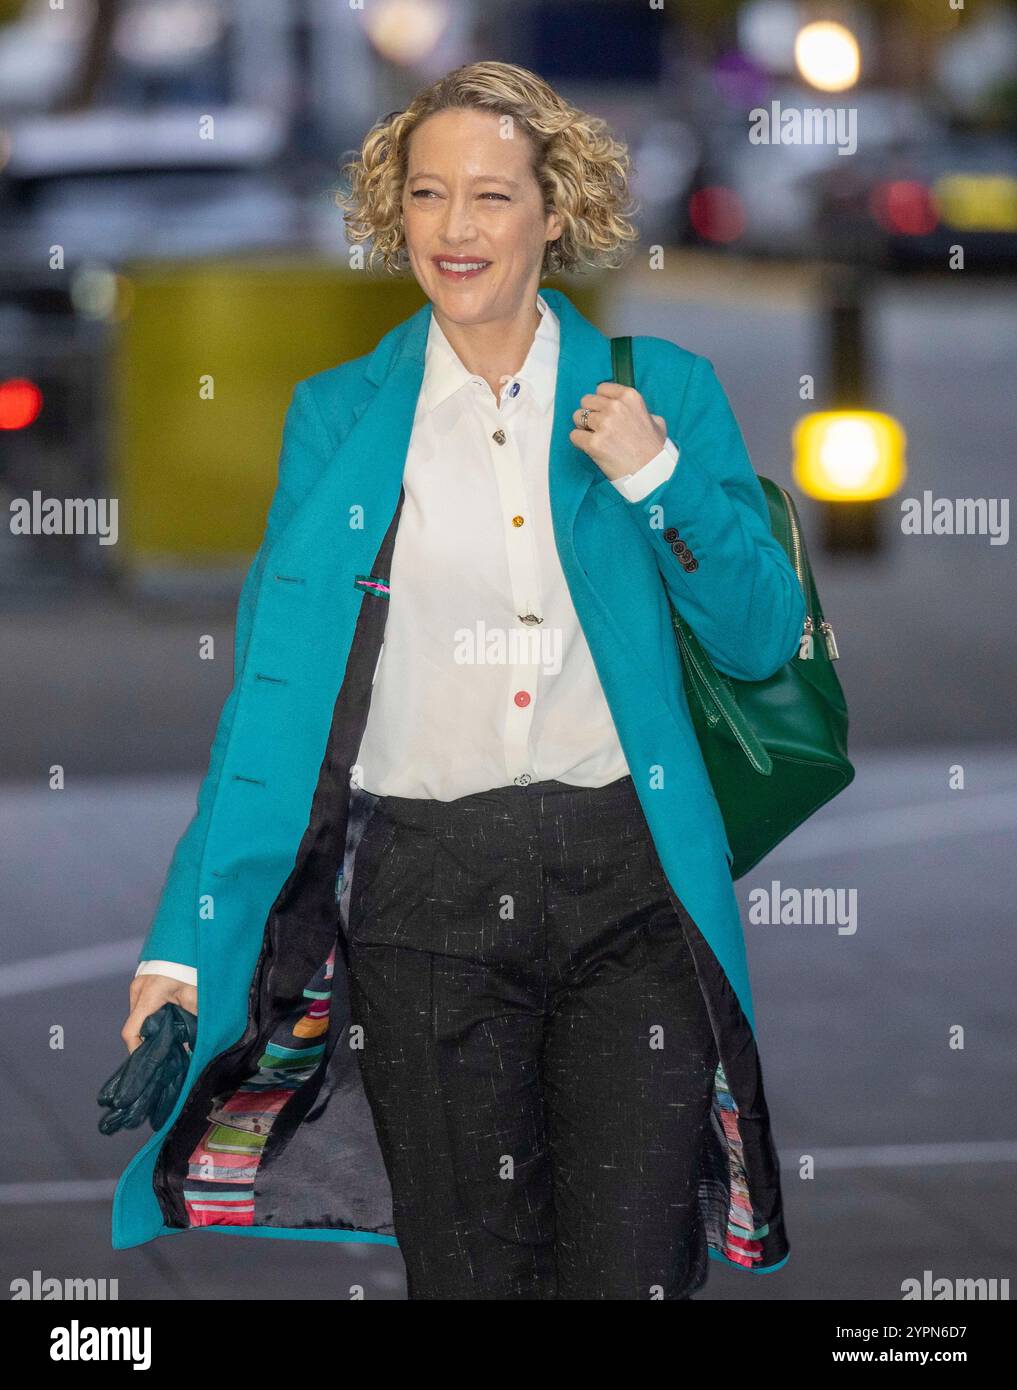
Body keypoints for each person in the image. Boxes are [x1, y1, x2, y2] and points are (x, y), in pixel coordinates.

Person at [116, 60, 806, 1301]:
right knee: (475, 1278)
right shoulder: (340, 417)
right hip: (424, 906)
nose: (455, 227)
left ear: (558, 209)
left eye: (491, 195)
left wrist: (660, 481)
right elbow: (271, 704)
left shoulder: (662, 394)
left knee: (632, 1271)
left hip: (630, 896)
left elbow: (762, 636)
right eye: (427, 194)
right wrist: (181, 945)